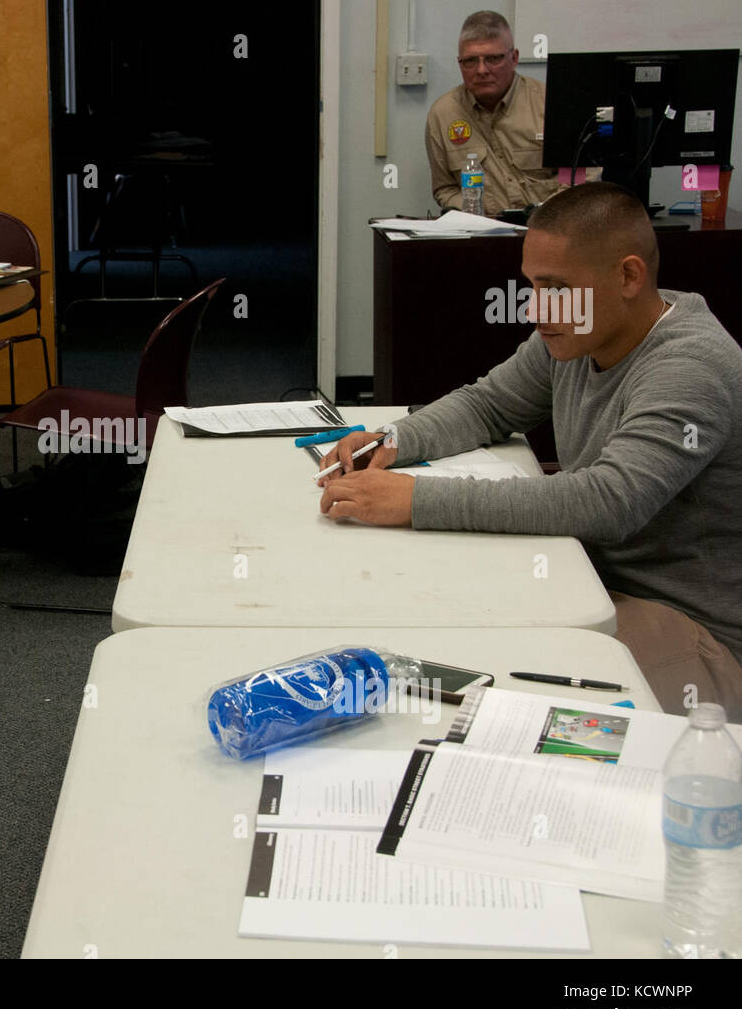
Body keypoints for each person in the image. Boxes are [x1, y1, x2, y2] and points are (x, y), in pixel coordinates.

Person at [318, 181, 742, 721]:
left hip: (694, 632)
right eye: (532, 286)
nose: (535, 310)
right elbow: (489, 405)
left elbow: (609, 502)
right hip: (594, 580)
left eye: (555, 287)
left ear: (629, 276)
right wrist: (396, 440)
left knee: (501, 707)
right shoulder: (576, 333)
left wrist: (414, 499)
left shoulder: (692, 366)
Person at [424, 10, 565, 216]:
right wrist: (477, 211)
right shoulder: (443, 114)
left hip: (550, 230)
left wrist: (545, 216)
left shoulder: (550, 103)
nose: (481, 70)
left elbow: (579, 180)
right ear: (459, 63)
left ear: (514, 57)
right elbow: (444, 189)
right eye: (470, 61)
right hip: (481, 236)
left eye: (493, 58)